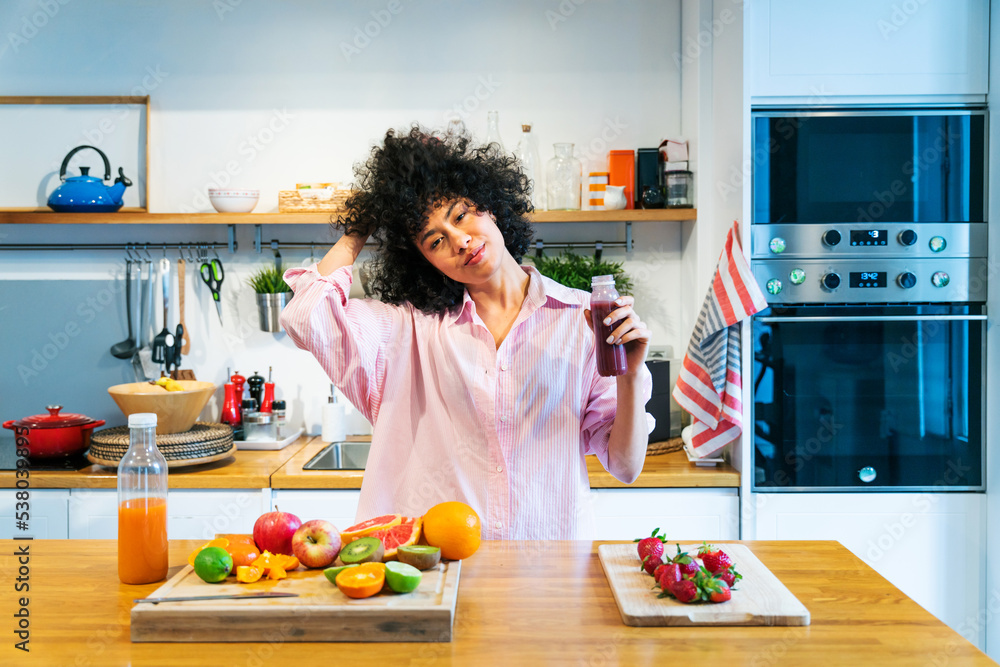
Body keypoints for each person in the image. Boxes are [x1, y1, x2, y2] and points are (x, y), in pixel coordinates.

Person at [281, 125, 653, 540]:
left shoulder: (581, 318)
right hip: (434, 573)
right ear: (425, 262)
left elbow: (625, 466)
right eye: (435, 240)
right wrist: (365, 221)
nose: (459, 240)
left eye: (461, 215)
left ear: (489, 205)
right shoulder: (407, 329)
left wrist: (632, 374)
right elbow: (308, 315)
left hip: (549, 573)